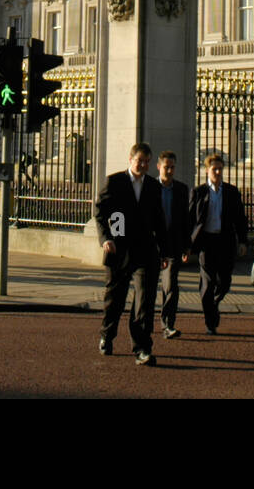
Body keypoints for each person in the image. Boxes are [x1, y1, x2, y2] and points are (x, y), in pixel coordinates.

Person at [94, 142, 169, 366]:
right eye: (140, 161)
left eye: (147, 162)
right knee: (115, 299)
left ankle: (142, 347)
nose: (143, 165)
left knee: (145, 301)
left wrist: (164, 251)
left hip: (146, 251)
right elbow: (100, 212)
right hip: (119, 249)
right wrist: (106, 238)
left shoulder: (154, 187)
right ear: (130, 160)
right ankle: (107, 335)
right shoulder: (115, 181)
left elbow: (159, 221)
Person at [188, 152, 248, 334]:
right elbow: (190, 220)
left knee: (225, 282)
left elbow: (240, 219)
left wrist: (243, 241)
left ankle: (214, 303)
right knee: (207, 282)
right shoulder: (198, 192)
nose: (218, 172)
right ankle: (210, 321)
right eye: (215, 169)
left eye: (221, 169)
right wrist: (186, 245)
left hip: (225, 241)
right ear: (207, 170)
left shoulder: (231, 191)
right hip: (206, 241)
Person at [154, 152, 190, 339]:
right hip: (152, 245)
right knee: (149, 288)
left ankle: (168, 324)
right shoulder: (149, 187)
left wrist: (186, 245)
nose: (169, 170)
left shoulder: (182, 189)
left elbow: (186, 219)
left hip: (173, 245)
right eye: (166, 166)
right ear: (158, 167)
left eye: (172, 167)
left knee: (171, 285)